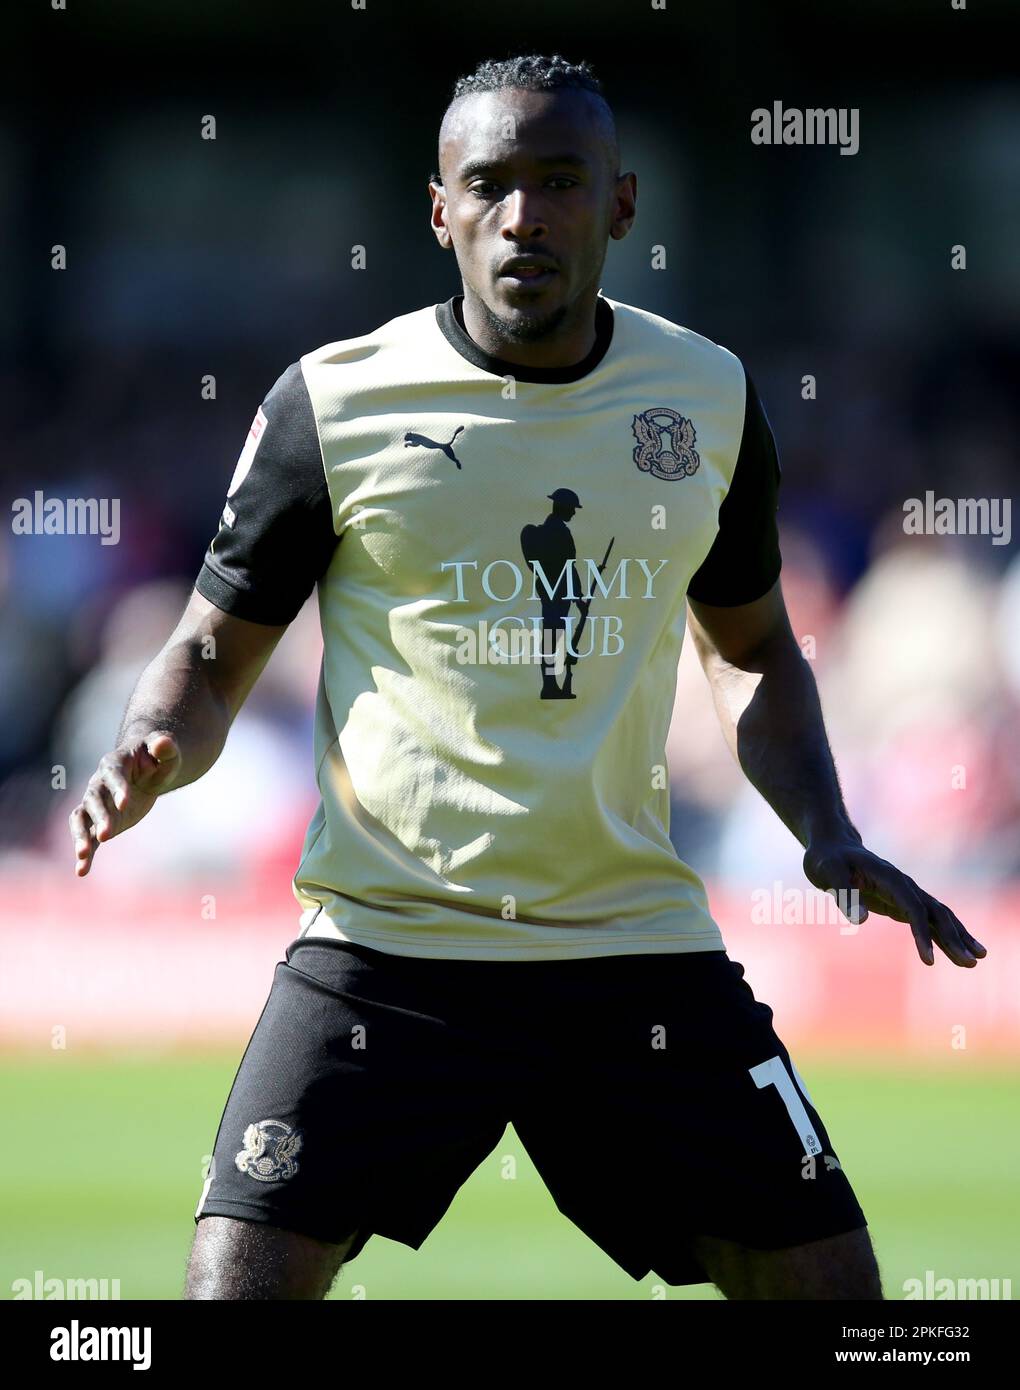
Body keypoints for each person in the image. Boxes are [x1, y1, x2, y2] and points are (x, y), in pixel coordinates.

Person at [68, 53, 985, 1301]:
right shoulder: (332, 404)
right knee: (230, 1288)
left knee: (847, 1304)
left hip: (630, 944)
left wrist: (826, 830)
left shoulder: (705, 398)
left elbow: (755, 644)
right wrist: (151, 745)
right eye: (490, 183)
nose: (523, 215)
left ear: (621, 202)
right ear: (437, 208)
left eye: (560, 181)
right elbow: (208, 657)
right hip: (389, 947)